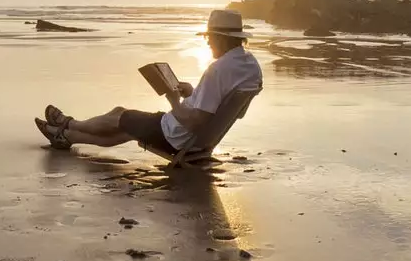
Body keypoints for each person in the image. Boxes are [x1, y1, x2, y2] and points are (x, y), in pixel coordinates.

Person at [35, 8, 262, 157]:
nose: (208, 43)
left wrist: (174, 100)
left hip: (177, 137)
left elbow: (193, 122)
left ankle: (69, 124)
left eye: (209, 38)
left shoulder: (218, 69)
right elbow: (234, 112)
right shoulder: (249, 66)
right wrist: (192, 93)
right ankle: (65, 135)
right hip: (200, 141)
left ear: (221, 38)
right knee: (124, 131)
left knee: (119, 114)